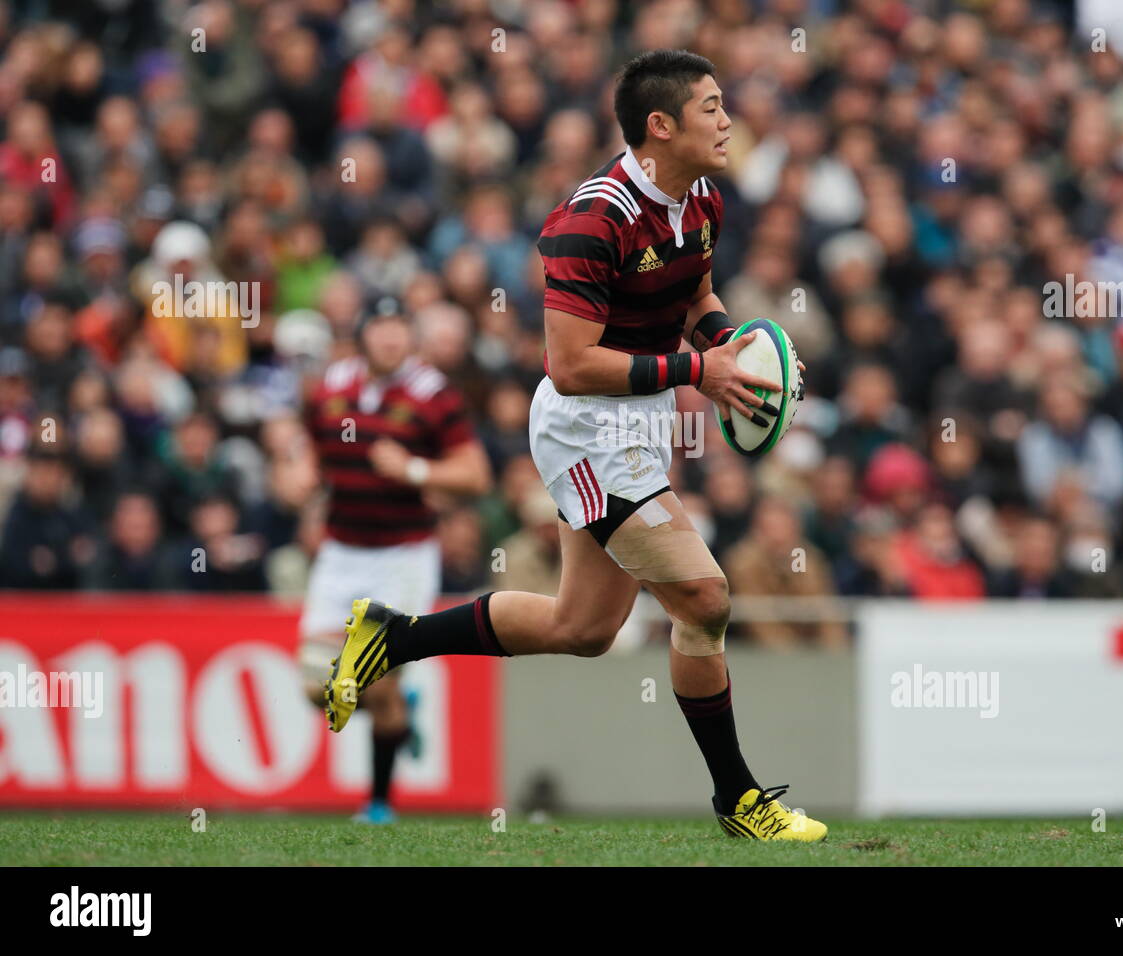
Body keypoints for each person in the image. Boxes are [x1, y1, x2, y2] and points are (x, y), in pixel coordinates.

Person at [323, 51, 825, 841]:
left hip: (643, 418)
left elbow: (695, 297)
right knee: (705, 597)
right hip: (585, 428)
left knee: (581, 630)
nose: (729, 121)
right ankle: (740, 800)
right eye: (713, 107)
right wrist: (702, 371)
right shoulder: (592, 218)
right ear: (660, 126)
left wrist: (728, 347)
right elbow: (571, 363)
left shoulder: (701, 201)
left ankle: (393, 636)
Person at [301, 295, 491, 823]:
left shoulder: (433, 395)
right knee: (314, 685)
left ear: (410, 336)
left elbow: (475, 475)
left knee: (376, 680)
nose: (388, 337)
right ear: (362, 335)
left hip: (402, 555)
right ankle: (400, 717)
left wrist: (412, 470)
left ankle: (379, 804)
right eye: (379, 326)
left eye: (397, 327)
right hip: (341, 552)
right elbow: (312, 455)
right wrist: (302, 481)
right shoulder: (331, 388)